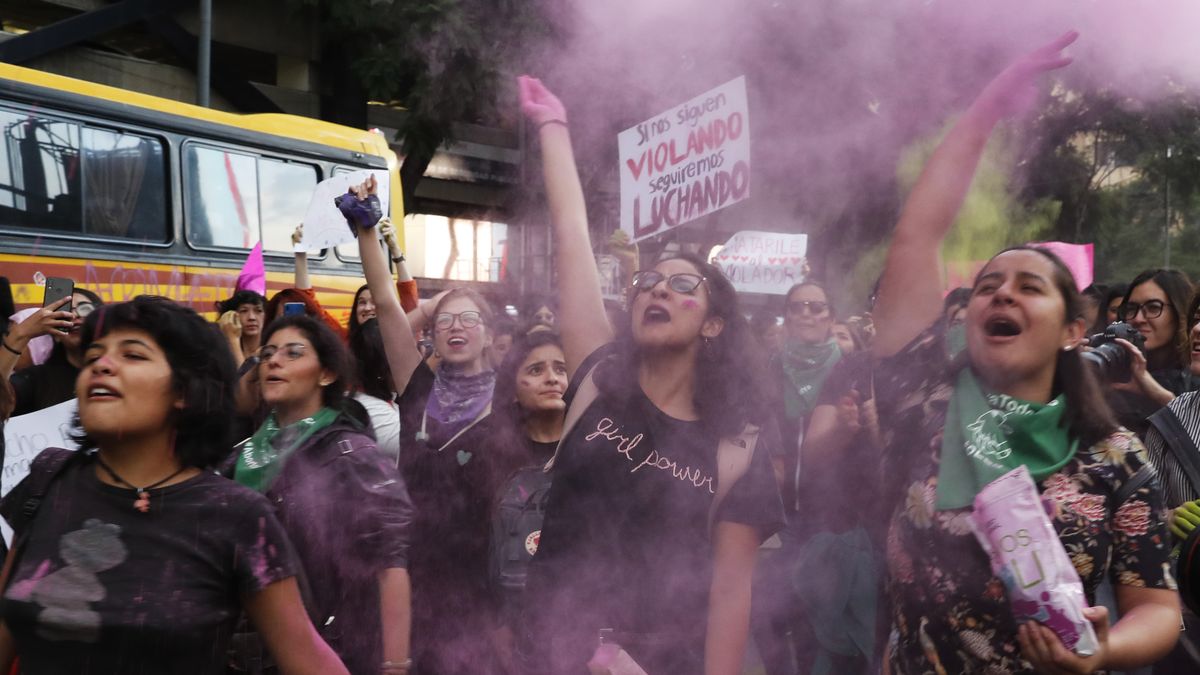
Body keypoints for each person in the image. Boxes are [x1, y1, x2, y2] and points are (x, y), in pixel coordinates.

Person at [871, 33, 1179, 674]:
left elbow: (1156, 608)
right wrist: (987, 110)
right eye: (988, 286)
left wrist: (1105, 651)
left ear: (1073, 329)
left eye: (1028, 286)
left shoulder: (1114, 457)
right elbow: (918, 233)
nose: (1001, 293)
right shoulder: (920, 394)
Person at [516, 75, 784, 675]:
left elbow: (730, 594)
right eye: (648, 282)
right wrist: (553, 128)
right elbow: (572, 244)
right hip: (550, 650)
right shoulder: (598, 381)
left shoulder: (738, 447)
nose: (658, 286)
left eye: (682, 283)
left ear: (714, 325)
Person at [0, 296, 347, 675]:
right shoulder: (50, 478)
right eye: (94, 354)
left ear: (185, 391)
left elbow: (306, 657)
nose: (101, 365)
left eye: (132, 355)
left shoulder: (236, 516)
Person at [344, 176, 505, 674]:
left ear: (492, 335)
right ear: (431, 334)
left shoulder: (512, 399)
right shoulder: (417, 388)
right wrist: (367, 229)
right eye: (446, 321)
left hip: (485, 581)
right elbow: (387, 306)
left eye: (470, 319)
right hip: (412, 571)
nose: (456, 327)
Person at [235, 314, 413, 675]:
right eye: (267, 353)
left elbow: (390, 565)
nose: (273, 360)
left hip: (328, 651)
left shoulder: (352, 455)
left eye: (293, 353)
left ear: (326, 374)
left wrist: (394, 666)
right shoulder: (243, 455)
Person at [1107, 268, 1196, 435]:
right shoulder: (1115, 371)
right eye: (1131, 308)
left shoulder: (1195, 377)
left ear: (1180, 312)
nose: (1138, 319)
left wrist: (1160, 396)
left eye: (1154, 307)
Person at [6, 288, 103, 416]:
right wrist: (20, 334)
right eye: (65, 313)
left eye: (84, 308)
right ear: (56, 335)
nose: (74, 316)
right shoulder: (36, 380)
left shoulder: (121, 370)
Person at [215, 289, 266, 365]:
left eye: (258, 311)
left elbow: (244, 375)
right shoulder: (221, 353)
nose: (252, 317)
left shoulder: (269, 351)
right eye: (244, 311)